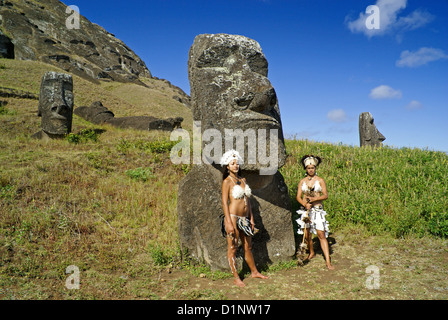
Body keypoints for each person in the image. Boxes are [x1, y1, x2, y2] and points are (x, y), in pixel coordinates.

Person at [221, 150, 269, 287]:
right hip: (233, 218)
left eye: (237, 163)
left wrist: (251, 219)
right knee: (233, 247)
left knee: (248, 246)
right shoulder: (227, 182)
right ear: (227, 166)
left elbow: (247, 201)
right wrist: (229, 223)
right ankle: (236, 277)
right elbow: (225, 203)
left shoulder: (243, 180)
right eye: (232, 163)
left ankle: (254, 272)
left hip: (245, 218)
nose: (235, 166)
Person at [296, 155, 334, 270]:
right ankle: (311, 252)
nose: (311, 170)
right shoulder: (302, 181)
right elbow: (298, 196)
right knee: (307, 234)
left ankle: (328, 261)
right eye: (309, 168)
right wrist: (304, 204)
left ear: (315, 168)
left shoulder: (320, 180)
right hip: (306, 211)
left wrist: (314, 200)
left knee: (321, 234)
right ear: (305, 169)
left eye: (313, 167)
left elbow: (325, 195)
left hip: (317, 210)